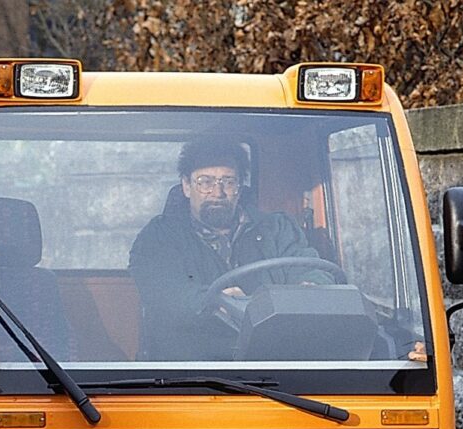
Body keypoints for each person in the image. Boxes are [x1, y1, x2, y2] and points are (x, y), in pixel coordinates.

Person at [128, 136, 332, 360]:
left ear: (240, 187)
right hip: (192, 372)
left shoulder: (277, 228)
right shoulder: (158, 237)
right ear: (186, 186)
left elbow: (313, 269)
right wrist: (215, 300)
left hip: (272, 362)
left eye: (229, 181)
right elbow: (164, 295)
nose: (218, 193)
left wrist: (310, 287)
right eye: (205, 182)